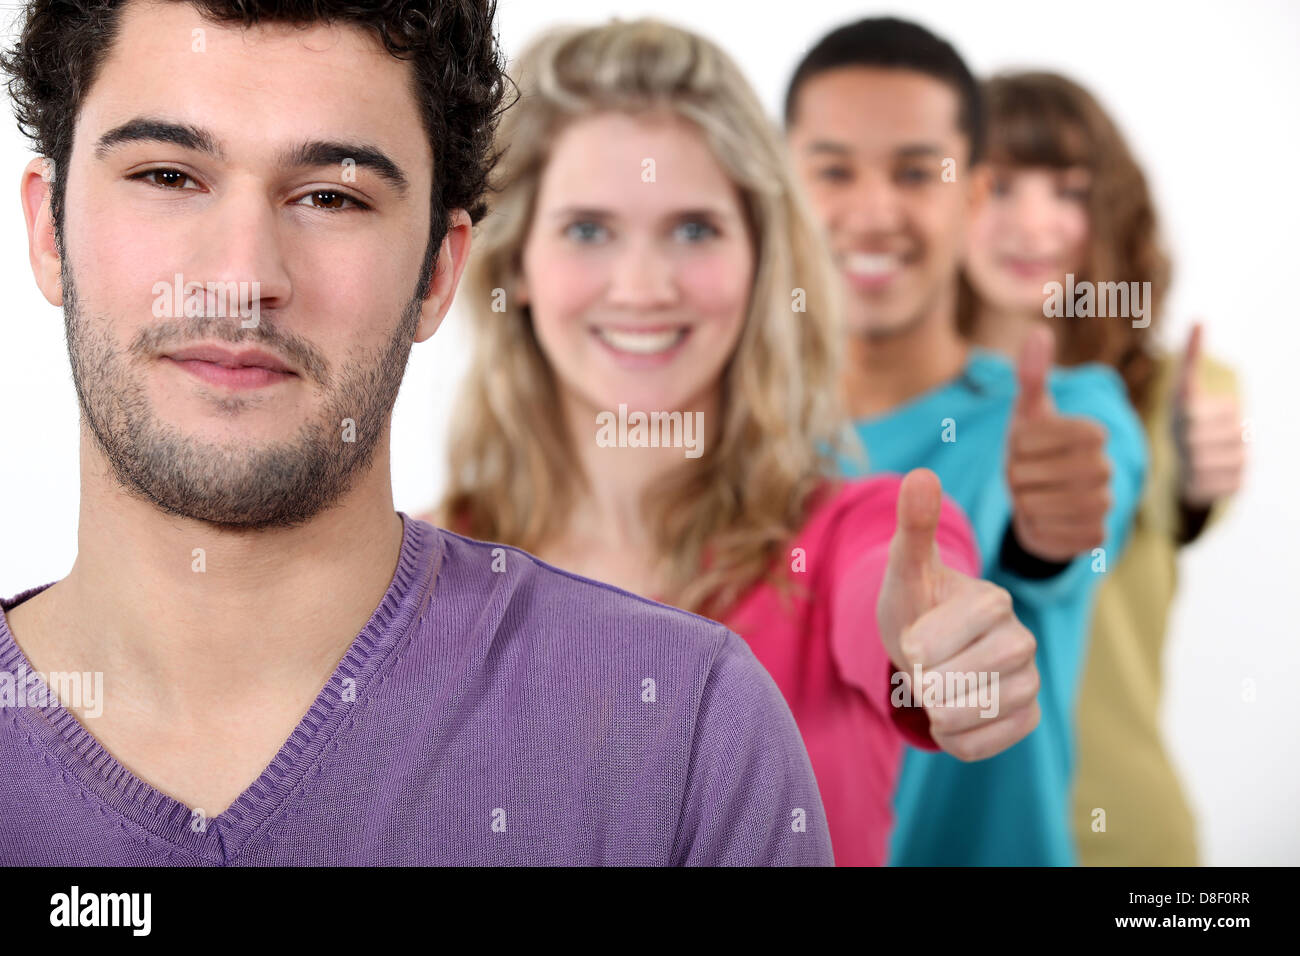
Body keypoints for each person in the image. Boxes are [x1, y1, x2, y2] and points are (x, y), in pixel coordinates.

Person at [0, 0, 833, 866]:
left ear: (439, 272)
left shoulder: (684, 735)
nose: (241, 278)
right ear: (49, 229)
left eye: (331, 196)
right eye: (168, 177)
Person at [433, 18, 1042, 867]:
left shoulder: (847, 540)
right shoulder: (414, 578)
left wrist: (940, 653)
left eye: (693, 230)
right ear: (516, 265)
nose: (642, 287)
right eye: (588, 230)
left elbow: (901, 604)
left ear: (761, 258)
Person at [784, 17, 1147, 865]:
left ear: (972, 197)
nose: (874, 213)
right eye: (833, 171)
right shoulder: (727, 440)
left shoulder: (1066, 413)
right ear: (779, 188)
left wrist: (1046, 535)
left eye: (917, 172)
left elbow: (1063, 522)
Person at [962, 71, 1247, 865]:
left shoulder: (1172, 395)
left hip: (1118, 839)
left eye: (1069, 191)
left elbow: (1173, 494)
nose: (1031, 223)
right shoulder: (890, 405)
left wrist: (1194, 480)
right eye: (999, 186)